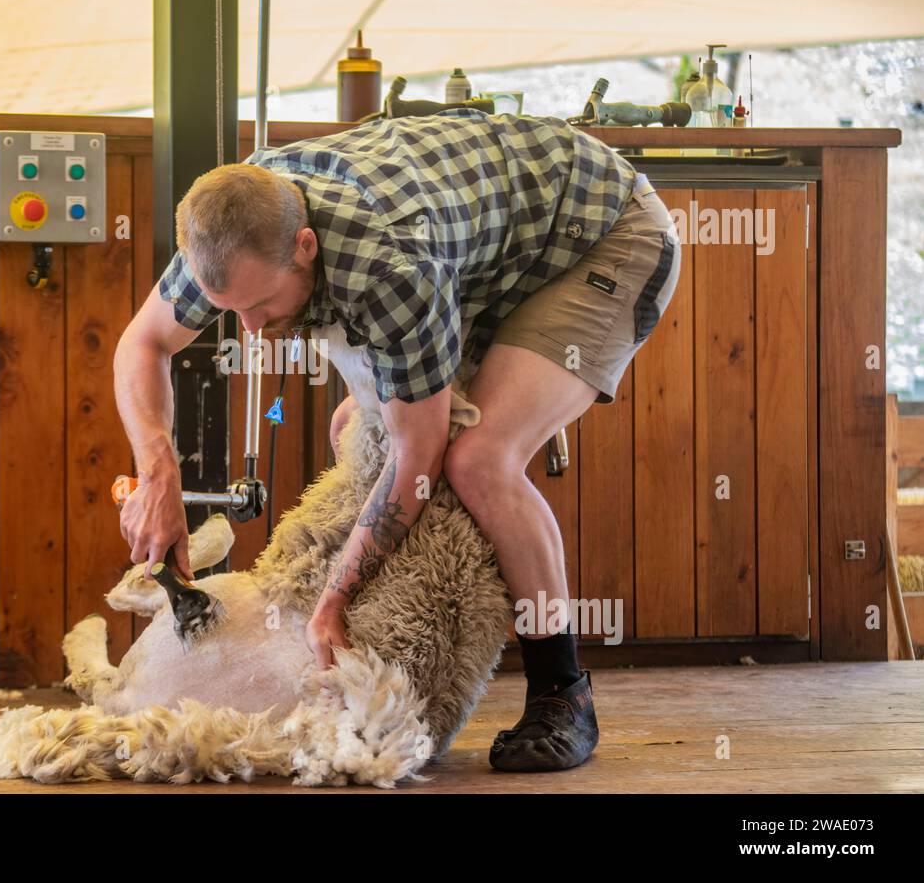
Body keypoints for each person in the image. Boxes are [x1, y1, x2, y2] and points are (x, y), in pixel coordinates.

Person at [111, 108, 681, 772]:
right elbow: (142, 343)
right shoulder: (235, 219)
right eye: (231, 309)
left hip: (603, 232)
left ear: (304, 247)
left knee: (477, 460)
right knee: (352, 425)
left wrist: (334, 600)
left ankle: (562, 690)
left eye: (261, 306)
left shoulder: (389, 267)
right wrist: (158, 475)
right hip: (490, 239)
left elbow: (418, 459)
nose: (253, 331)